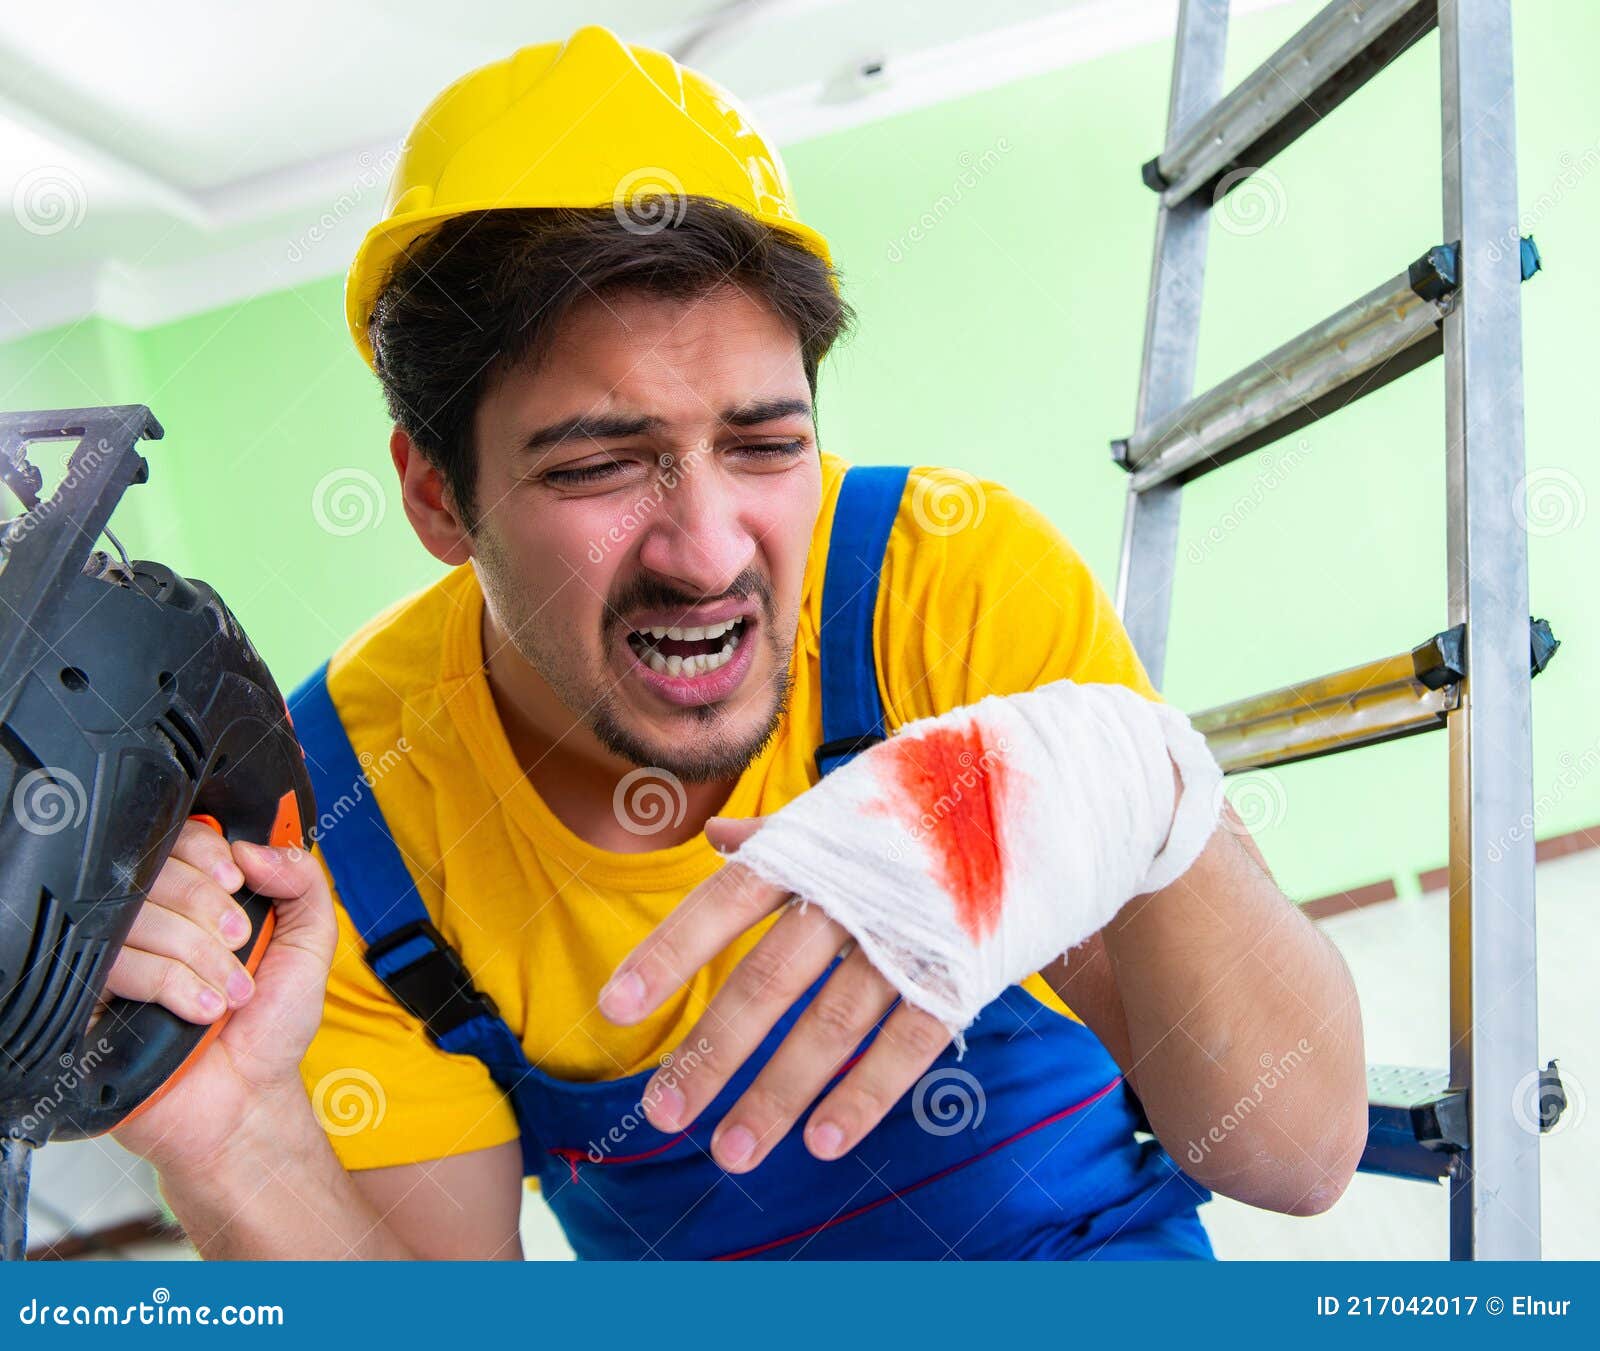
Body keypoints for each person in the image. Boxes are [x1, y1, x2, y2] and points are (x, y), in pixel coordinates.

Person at [106, 25, 1366, 1260]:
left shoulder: (944, 586)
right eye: (601, 466)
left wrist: (1134, 785)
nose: (708, 552)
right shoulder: (351, 808)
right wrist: (240, 1148)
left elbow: (1296, 1154)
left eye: (766, 447)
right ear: (438, 494)